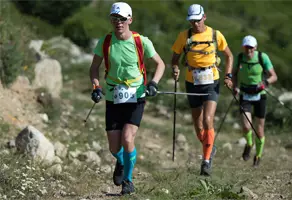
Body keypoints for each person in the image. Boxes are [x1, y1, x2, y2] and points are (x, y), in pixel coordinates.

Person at [89, 2, 165, 195]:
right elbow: (94, 67)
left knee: (127, 137)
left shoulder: (141, 41)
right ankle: (121, 161)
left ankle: (128, 182)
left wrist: (154, 83)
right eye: (115, 19)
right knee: (114, 147)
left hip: (136, 96)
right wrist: (96, 86)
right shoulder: (105, 42)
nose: (118, 23)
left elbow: (160, 64)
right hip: (114, 97)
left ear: (130, 20)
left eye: (122, 19)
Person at [171, 4, 233, 176]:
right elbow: (174, 58)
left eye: (197, 20)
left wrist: (228, 76)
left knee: (207, 119)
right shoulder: (184, 36)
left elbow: (229, 55)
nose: (195, 24)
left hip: (211, 81)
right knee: (198, 126)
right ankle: (209, 146)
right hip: (192, 82)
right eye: (192, 21)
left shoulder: (215, 35)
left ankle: (206, 161)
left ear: (204, 17)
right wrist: (175, 68)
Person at [232, 35, 277, 167]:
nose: (249, 50)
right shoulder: (240, 58)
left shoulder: (263, 57)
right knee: (246, 126)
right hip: (245, 94)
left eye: (251, 48)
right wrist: (235, 86)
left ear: (255, 47)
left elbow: (274, 76)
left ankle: (257, 156)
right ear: (243, 47)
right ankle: (249, 143)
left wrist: (265, 83)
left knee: (259, 129)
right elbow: (234, 74)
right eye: (246, 47)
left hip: (260, 95)